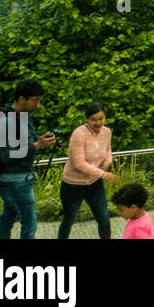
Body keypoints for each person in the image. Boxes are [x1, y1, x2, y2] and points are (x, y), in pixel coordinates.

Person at [0, 79, 57, 240]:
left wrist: (42, 140)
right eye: (35, 100)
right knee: (29, 222)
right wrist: (37, 146)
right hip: (15, 181)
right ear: (22, 99)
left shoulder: (23, 117)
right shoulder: (7, 121)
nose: (38, 104)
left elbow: (30, 141)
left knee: (8, 217)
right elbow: (7, 155)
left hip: (18, 179)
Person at [58, 102, 116, 240]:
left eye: (101, 118)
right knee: (69, 218)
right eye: (93, 119)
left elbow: (108, 149)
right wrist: (103, 174)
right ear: (87, 119)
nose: (98, 122)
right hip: (73, 185)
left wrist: (108, 160)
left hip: (94, 184)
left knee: (103, 216)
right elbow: (79, 163)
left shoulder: (107, 131)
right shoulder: (79, 134)